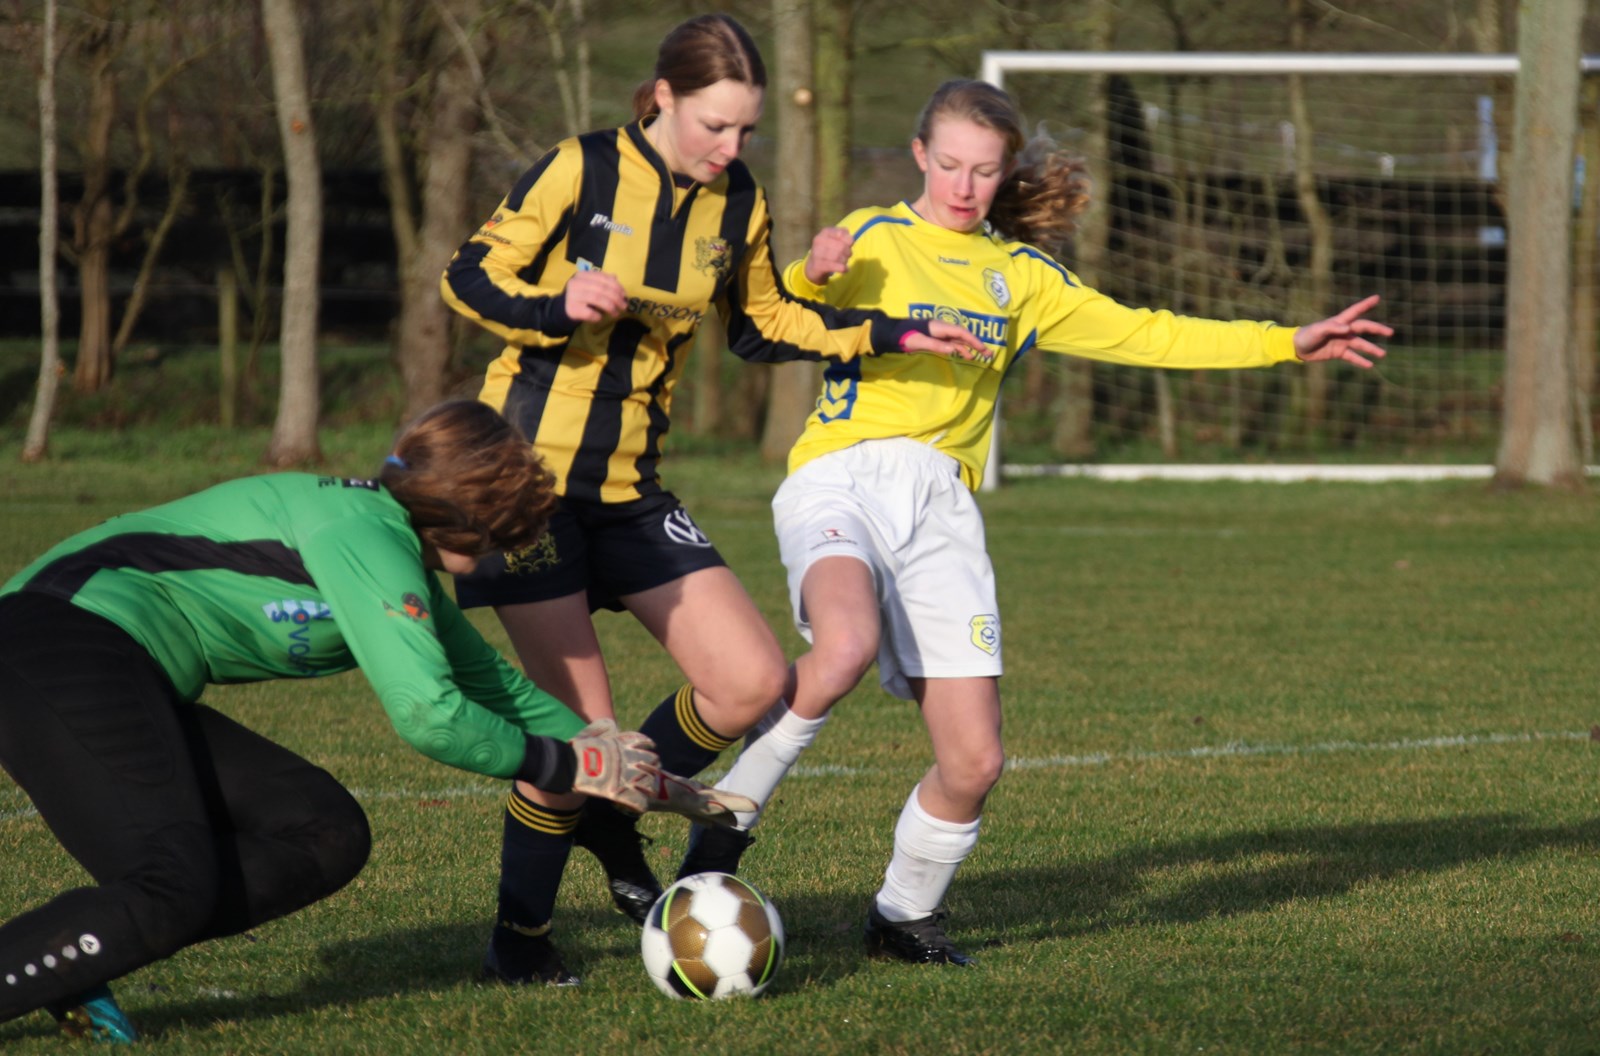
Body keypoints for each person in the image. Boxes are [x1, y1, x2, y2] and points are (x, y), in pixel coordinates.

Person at [671, 78, 1394, 965]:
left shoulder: (1023, 278)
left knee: (975, 763)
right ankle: (724, 825)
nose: (964, 186)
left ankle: (902, 917)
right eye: (948, 166)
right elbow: (776, 313)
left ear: (1005, 171)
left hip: (941, 501)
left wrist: (1286, 339)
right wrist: (813, 270)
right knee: (845, 647)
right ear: (918, 157)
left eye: (983, 170)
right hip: (842, 479)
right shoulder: (872, 235)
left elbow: (1150, 333)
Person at [437, 14, 983, 983]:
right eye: (713, 128)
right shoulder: (579, 170)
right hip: (523, 485)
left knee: (752, 682)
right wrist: (553, 306)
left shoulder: (737, 201)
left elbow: (764, 324)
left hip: (632, 488)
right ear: (662, 98)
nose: (728, 149)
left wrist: (895, 333)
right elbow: (468, 277)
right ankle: (515, 939)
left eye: (744, 132)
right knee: (582, 738)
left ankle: (610, 818)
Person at [0, 400, 741, 1043]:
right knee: (173, 884)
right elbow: (432, 717)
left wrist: (642, 773)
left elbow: (490, 685)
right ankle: (65, 954)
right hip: (54, 645)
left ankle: (78, 951)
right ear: (465, 516)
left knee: (325, 833)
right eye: (498, 532)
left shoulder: (391, 543)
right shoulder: (365, 533)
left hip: (108, 664)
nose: (497, 553)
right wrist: (573, 768)